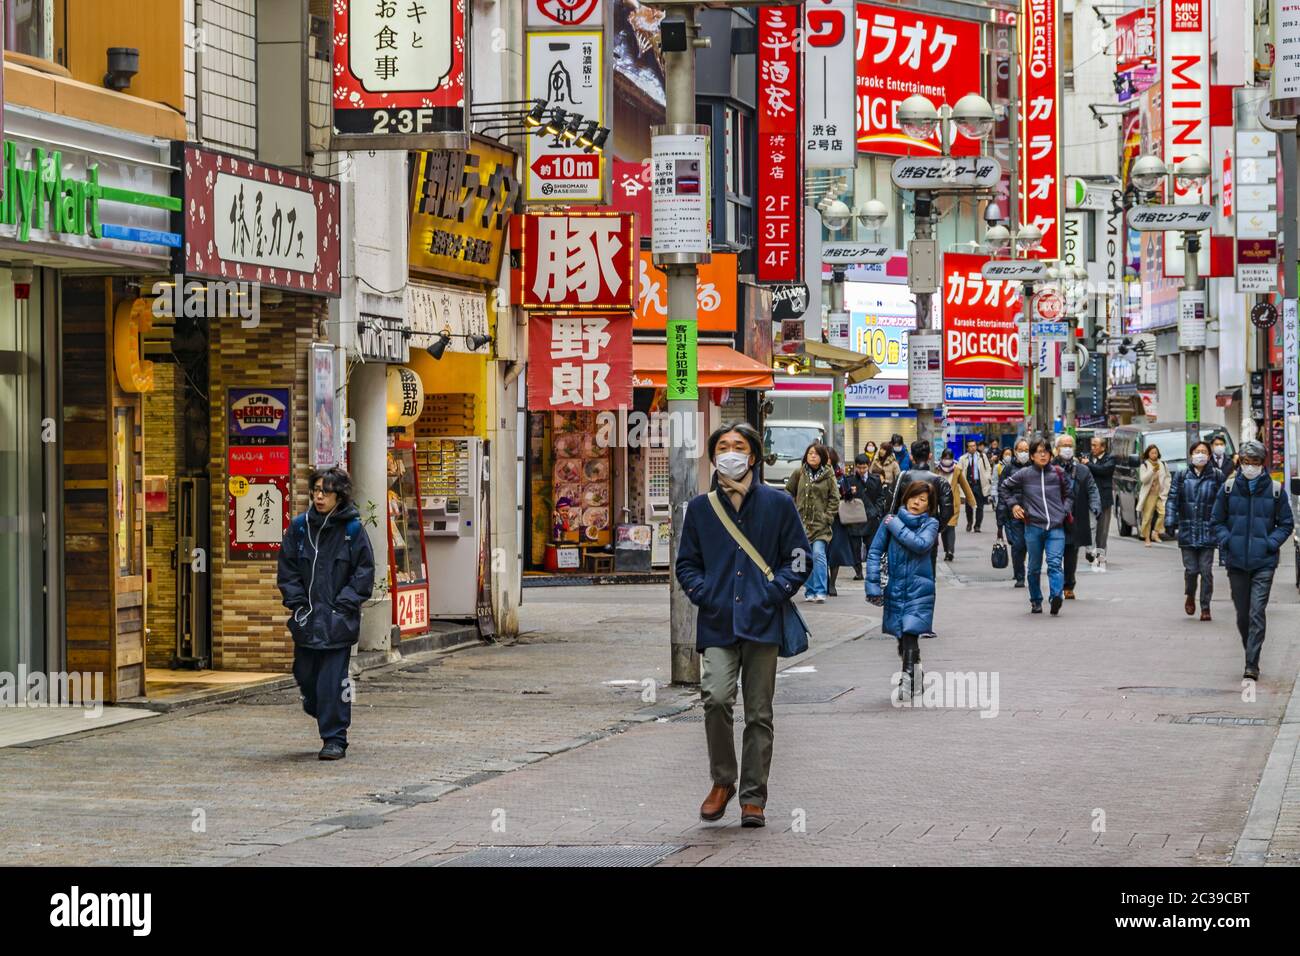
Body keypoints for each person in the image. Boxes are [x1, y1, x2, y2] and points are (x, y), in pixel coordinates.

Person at [676, 422, 811, 828]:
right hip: (717, 623)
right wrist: (705, 594)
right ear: (713, 455)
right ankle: (723, 781)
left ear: (752, 456)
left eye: (738, 446)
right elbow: (686, 563)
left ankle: (754, 797)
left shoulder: (778, 503)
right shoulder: (701, 508)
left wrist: (774, 593)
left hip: (762, 623)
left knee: (759, 713)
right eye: (722, 446)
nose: (729, 452)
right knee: (715, 698)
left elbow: (800, 557)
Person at [276, 467, 375, 760]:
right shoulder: (299, 528)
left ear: (339, 496)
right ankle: (316, 703)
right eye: (316, 490)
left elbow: (364, 573)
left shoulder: (353, 531)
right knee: (305, 674)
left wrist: (343, 603)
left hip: (337, 621)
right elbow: (288, 569)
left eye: (326, 492)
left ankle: (334, 738)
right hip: (307, 620)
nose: (319, 497)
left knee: (334, 681)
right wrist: (297, 604)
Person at [1211, 441, 1294, 681]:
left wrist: (1270, 543)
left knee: (1257, 611)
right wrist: (1227, 540)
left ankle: (1251, 663)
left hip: (1264, 562)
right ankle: (1250, 649)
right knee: (1243, 615)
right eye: (1246, 462)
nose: (1250, 467)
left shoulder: (1275, 490)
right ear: (1240, 463)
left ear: (1262, 464)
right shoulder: (1228, 488)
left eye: (1255, 463)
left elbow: (1286, 524)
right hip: (1236, 562)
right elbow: (1217, 520)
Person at [866, 480, 940, 699]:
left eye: (923, 500)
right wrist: (872, 585)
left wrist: (895, 525)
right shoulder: (888, 522)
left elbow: (920, 544)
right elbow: (874, 552)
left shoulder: (930, 524)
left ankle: (906, 679)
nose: (916, 502)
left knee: (909, 632)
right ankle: (916, 670)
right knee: (901, 637)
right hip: (894, 588)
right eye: (913, 497)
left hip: (919, 589)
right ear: (905, 497)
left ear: (929, 505)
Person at [1000, 437, 1074, 615]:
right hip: (1033, 527)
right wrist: (1014, 505)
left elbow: (1070, 494)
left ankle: (1056, 596)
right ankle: (1035, 600)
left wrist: (1064, 511)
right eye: (1039, 452)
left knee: (1055, 563)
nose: (1043, 455)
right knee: (1033, 567)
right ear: (1032, 456)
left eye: (1046, 451)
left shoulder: (1058, 473)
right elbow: (1004, 487)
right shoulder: (1025, 474)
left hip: (1056, 527)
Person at [1165, 440, 1225, 621]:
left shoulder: (1217, 475)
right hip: (1187, 530)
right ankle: (1190, 594)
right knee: (1191, 570)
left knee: (1206, 571)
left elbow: (1224, 502)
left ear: (1209, 455)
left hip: (1208, 530)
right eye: (1197, 451)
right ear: (1191, 454)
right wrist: (1169, 520)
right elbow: (1172, 498)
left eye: (1204, 451)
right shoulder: (1182, 475)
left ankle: (1205, 607)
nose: (1200, 454)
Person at [785, 442, 839, 603]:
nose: (812, 456)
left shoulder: (829, 475)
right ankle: (809, 590)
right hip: (801, 523)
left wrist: (827, 517)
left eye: (816, 453)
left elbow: (835, 499)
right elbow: (788, 492)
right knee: (803, 557)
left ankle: (821, 590)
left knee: (818, 554)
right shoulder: (799, 473)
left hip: (820, 525)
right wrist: (793, 511)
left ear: (822, 457)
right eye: (810, 453)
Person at [1053, 433, 1100, 600]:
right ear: (1057, 449)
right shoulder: (1049, 468)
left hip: (1075, 518)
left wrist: (1095, 506)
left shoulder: (1082, 469)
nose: (1067, 449)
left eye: (1069, 445)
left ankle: (1069, 585)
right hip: (1055, 518)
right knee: (1055, 554)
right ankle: (1056, 585)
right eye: (1063, 446)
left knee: (1071, 553)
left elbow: (1092, 489)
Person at [840, 453, 884, 581]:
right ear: (855, 467)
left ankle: (872, 571)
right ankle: (858, 571)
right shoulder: (849, 480)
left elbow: (881, 497)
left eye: (864, 467)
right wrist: (849, 493)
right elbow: (844, 498)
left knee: (872, 547)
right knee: (855, 547)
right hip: (855, 518)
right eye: (859, 467)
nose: (861, 470)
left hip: (871, 518)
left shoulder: (875, 479)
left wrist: (876, 511)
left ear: (868, 466)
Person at [997, 438, 1032, 588]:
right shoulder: (1008, 469)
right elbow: (1002, 491)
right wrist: (1001, 518)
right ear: (1015, 452)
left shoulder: (1035, 467)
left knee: (1032, 545)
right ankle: (1019, 576)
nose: (1024, 453)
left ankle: (1031, 573)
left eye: (1026, 450)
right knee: (1018, 545)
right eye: (1021, 450)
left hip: (1033, 514)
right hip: (1015, 514)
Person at [1080, 436, 1116, 572]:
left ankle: (1100, 554)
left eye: (1095, 445)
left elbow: (1103, 470)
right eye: (1092, 445)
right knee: (1090, 527)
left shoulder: (1110, 459)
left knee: (1102, 530)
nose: (1093, 448)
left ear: (1103, 447)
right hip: (1089, 499)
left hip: (1104, 500)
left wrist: (1088, 464)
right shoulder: (1087, 457)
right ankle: (1090, 551)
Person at [825, 448, 858, 596]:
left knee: (835, 552)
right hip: (821, 517)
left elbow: (846, 495)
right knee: (821, 553)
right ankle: (823, 582)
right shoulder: (813, 474)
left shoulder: (839, 475)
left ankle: (832, 583)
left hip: (838, 519)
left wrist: (850, 492)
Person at [936, 446, 975, 562]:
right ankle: (947, 549)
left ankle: (950, 551)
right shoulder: (937, 469)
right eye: (945, 457)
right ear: (942, 458)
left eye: (949, 458)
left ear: (952, 459)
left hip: (953, 503)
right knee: (944, 528)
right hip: (940, 503)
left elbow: (965, 485)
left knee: (951, 526)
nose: (947, 460)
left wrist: (971, 501)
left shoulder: (957, 469)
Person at [1138, 444, 1171, 546]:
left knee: (1163, 513)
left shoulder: (1163, 464)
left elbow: (1167, 477)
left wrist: (1166, 489)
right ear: (1148, 454)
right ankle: (1147, 538)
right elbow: (1143, 479)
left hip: (1160, 494)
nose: (1154, 455)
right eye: (1152, 453)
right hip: (1149, 495)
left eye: (1156, 452)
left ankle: (1155, 532)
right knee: (1147, 517)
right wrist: (1152, 471)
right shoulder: (1145, 465)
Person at [958, 440, 992, 532]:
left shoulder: (982, 456)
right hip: (968, 485)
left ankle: (977, 526)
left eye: (974, 445)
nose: (973, 447)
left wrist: (988, 477)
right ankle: (969, 522)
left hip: (979, 484)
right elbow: (959, 472)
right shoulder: (962, 459)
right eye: (970, 446)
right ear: (967, 448)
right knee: (969, 506)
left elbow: (988, 468)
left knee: (980, 506)